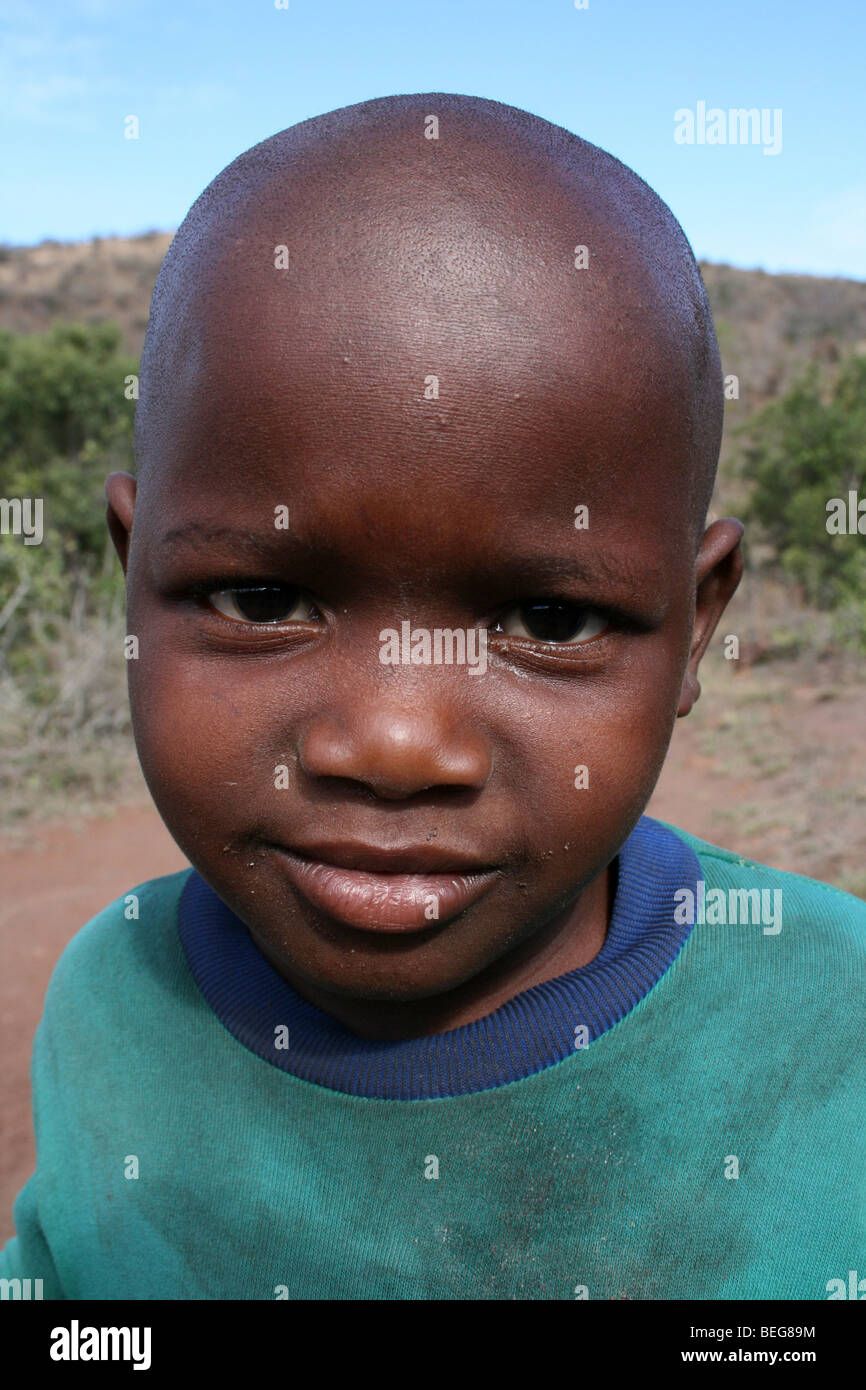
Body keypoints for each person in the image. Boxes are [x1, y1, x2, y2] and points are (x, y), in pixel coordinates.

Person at [2, 93, 863, 1300]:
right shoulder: (112, 997)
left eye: (549, 621)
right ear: (132, 576)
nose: (396, 743)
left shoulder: (836, 1026)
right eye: (259, 599)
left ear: (693, 629)